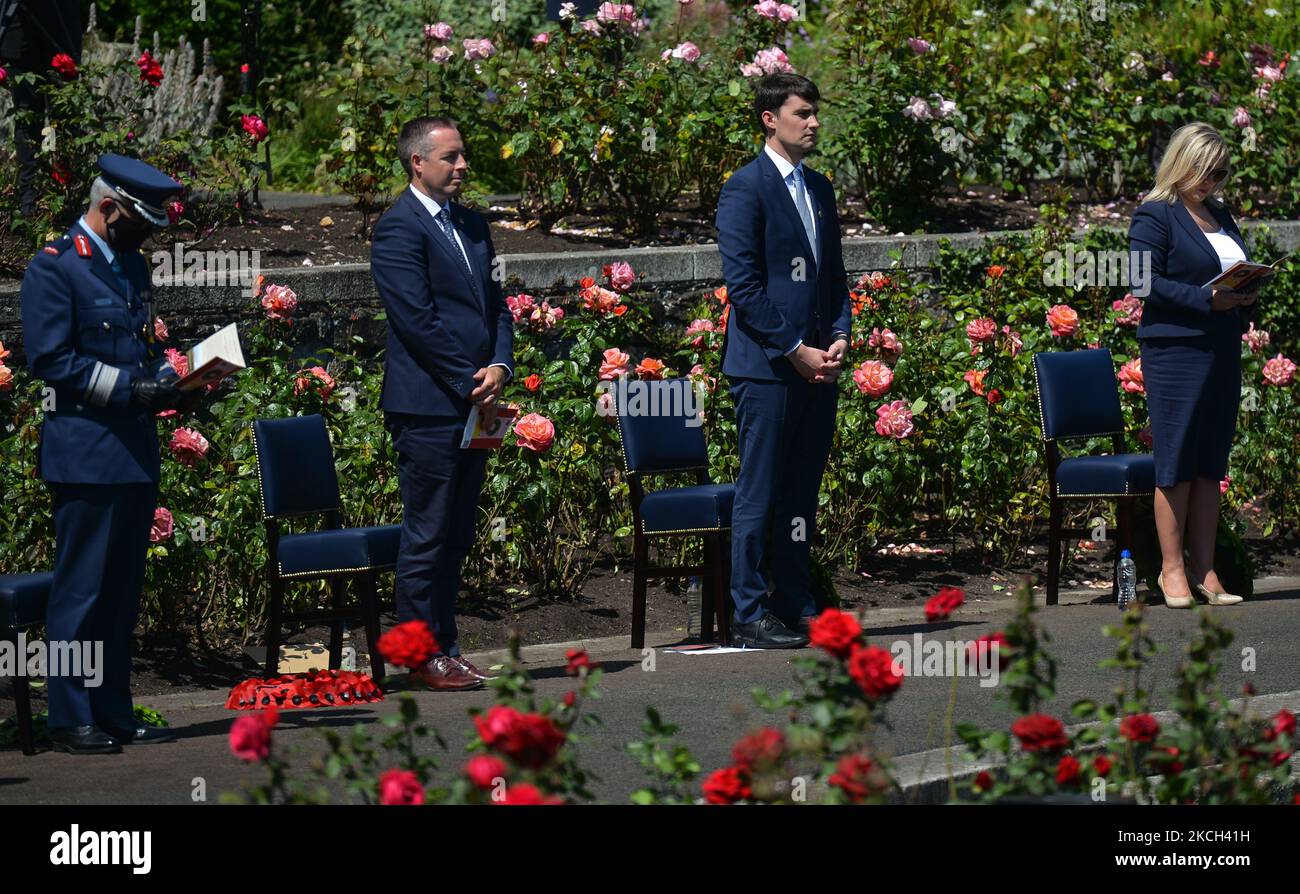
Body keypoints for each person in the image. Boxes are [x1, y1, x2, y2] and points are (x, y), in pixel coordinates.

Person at [20, 153, 193, 754]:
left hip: (134, 450)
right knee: (81, 592)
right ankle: (70, 717)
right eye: (141, 222)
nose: (148, 235)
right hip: (87, 453)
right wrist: (129, 388)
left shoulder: (129, 266)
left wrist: (174, 382)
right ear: (109, 208)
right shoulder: (56, 268)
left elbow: (137, 349)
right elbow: (50, 360)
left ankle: (113, 708)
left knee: (121, 592)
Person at [370, 116, 513, 688]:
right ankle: (418, 654)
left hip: (478, 402)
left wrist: (499, 366)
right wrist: (467, 379)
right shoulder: (398, 229)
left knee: (457, 531)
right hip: (429, 406)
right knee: (427, 531)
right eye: (450, 157)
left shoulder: (474, 226)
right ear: (417, 163)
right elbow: (416, 320)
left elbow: (497, 306)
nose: (462, 166)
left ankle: (447, 647)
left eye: (462, 156)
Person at [715, 73, 852, 648]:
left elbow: (834, 276)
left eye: (815, 112)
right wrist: (794, 350)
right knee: (760, 489)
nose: (814, 121)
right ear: (770, 119)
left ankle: (795, 601)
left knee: (800, 491)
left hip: (819, 366)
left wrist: (841, 333)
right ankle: (748, 610)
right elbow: (743, 287)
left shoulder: (819, 187)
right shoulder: (745, 188)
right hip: (767, 368)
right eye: (803, 113)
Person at [1128, 122, 1255, 609]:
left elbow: (1228, 273)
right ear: (1183, 163)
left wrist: (1243, 294)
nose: (1213, 181)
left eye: (1220, 172)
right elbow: (1143, 283)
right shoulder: (1154, 215)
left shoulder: (1220, 214)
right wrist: (1208, 301)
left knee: (1208, 465)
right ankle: (1172, 571)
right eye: (1205, 170)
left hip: (1222, 348)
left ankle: (1206, 571)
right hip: (1176, 350)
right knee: (1177, 461)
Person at [0, 0, 82, 215]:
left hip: (61, 28)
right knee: (28, 119)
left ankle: (64, 197)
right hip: (20, 29)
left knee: (64, 120)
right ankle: (29, 202)